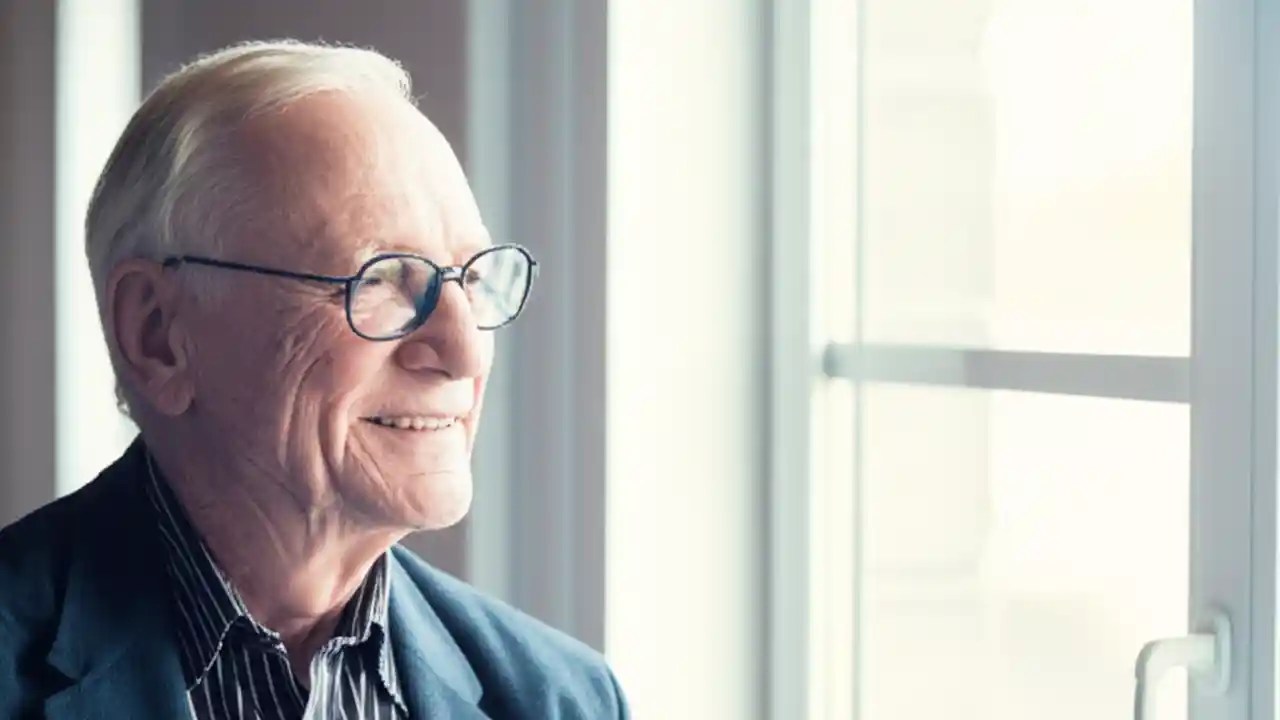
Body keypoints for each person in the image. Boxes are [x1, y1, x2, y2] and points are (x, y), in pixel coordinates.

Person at [0, 40, 627, 719]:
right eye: (383, 278)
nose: (464, 352)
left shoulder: (563, 699)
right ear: (158, 337)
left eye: (470, 277)